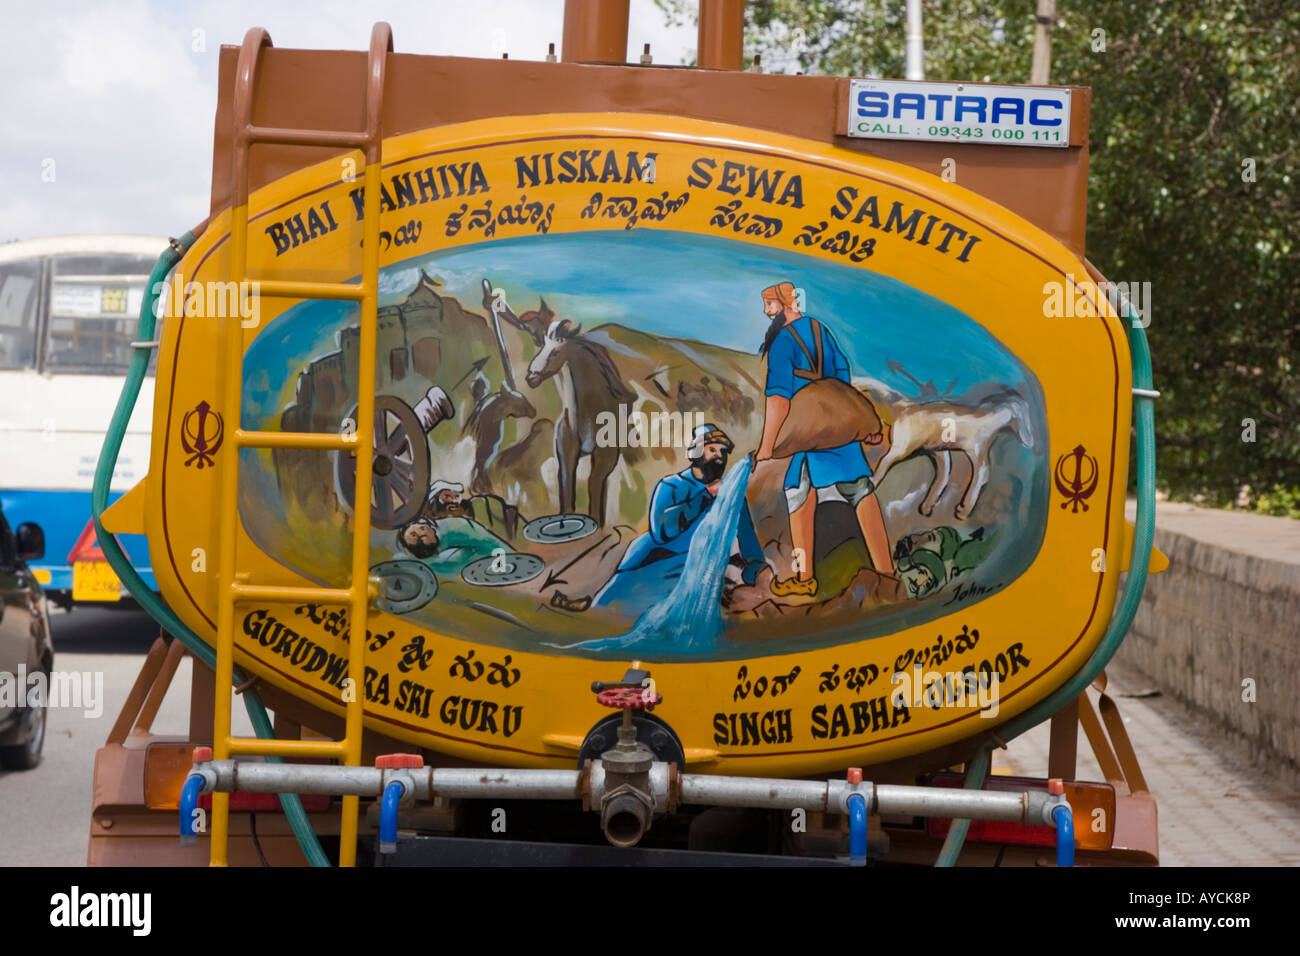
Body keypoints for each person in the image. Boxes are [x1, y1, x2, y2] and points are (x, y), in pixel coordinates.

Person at [754, 281, 892, 597]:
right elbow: (842, 374)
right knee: (860, 489)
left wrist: (767, 446)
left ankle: (806, 580)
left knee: (797, 494)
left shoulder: (782, 343)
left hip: (809, 432)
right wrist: (843, 417)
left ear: (784, 304)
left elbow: (778, 399)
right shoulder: (820, 330)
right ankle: (886, 572)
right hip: (837, 424)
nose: (767, 312)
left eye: (770, 305)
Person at [554, 423, 765, 614]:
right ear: (696, 452)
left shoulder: (730, 495)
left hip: (699, 559)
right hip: (656, 556)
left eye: (722, 451)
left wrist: (756, 569)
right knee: (617, 597)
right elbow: (663, 532)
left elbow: (746, 536)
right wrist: (705, 496)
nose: (719, 456)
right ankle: (593, 608)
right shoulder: (671, 486)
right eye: (712, 450)